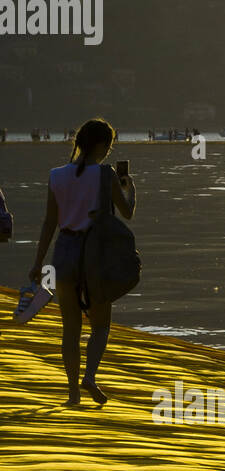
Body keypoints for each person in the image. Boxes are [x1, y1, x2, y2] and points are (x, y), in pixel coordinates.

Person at [29, 117, 136, 409]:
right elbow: (126, 212)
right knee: (100, 325)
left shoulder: (56, 175)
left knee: (70, 329)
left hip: (64, 254)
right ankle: (89, 376)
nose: (108, 152)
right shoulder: (105, 174)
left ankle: (72, 395)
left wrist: (38, 263)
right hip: (95, 257)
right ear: (101, 145)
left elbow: (49, 222)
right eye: (109, 146)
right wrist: (131, 189)